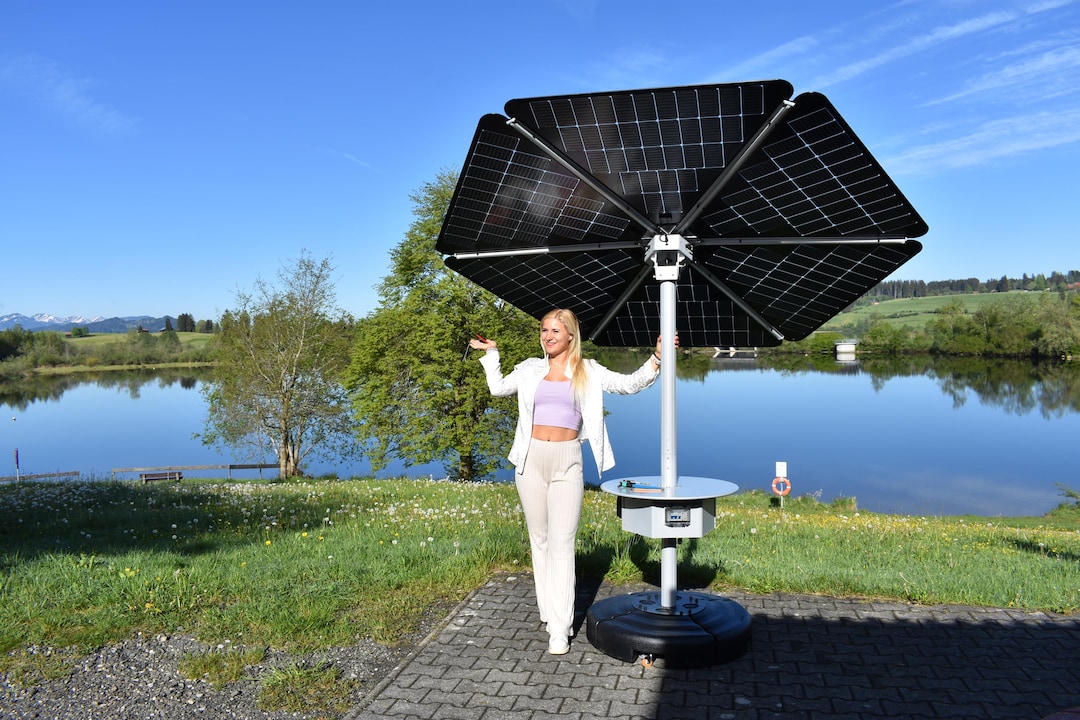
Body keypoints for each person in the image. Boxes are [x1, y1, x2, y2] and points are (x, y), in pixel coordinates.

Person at [469, 308, 672, 655]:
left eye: (555, 331)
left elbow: (626, 385)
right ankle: (549, 612)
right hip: (529, 460)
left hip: (567, 461)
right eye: (544, 330)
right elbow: (498, 389)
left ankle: (560, 629)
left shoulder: (587, 371)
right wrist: (492, 354)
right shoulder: (531, 368)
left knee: (563, 544)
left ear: (570, 336)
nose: (547, 336)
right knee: (540, 540)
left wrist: (656, 359)